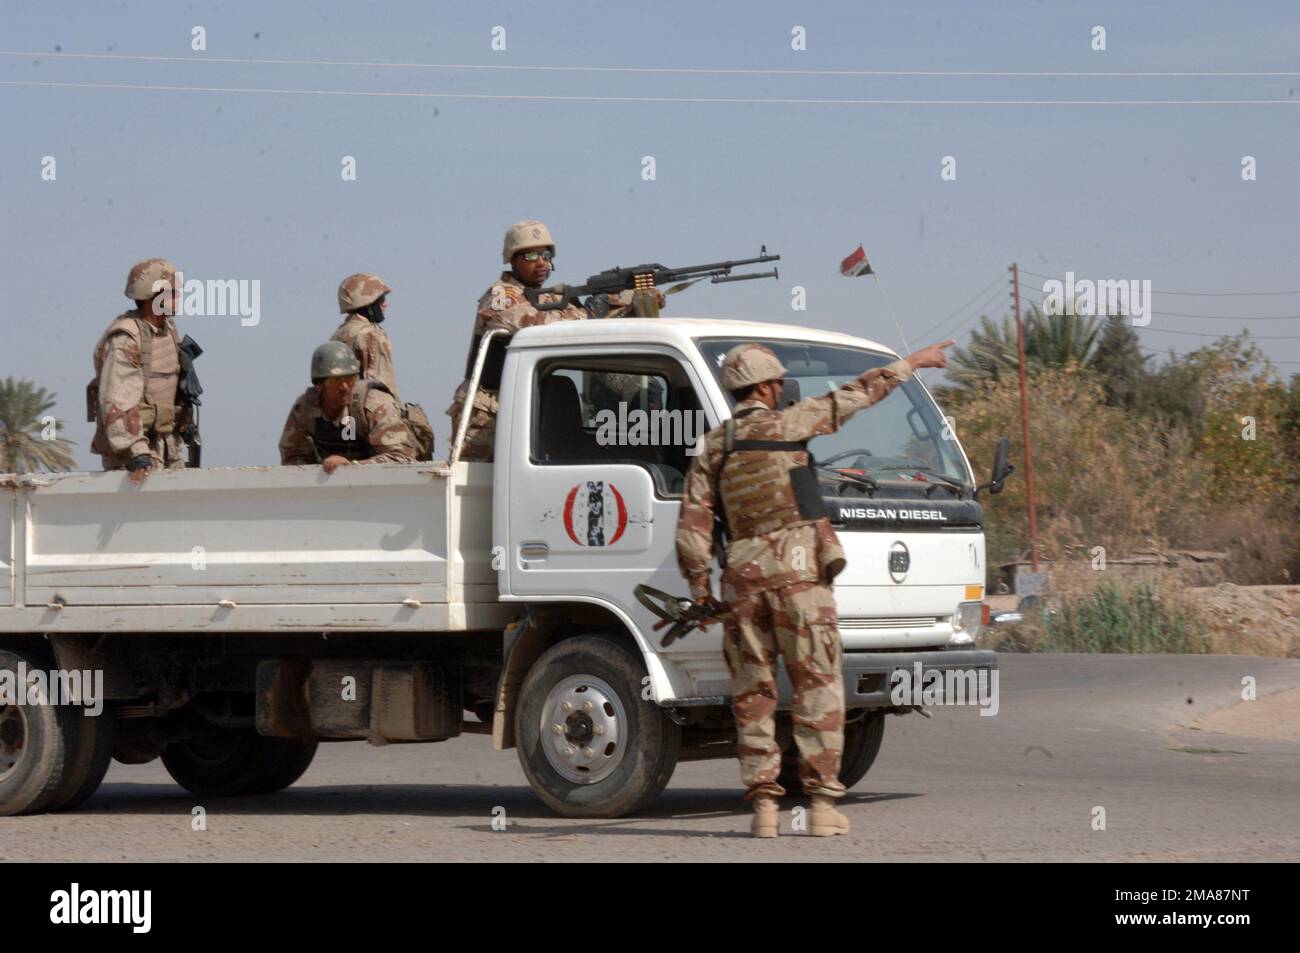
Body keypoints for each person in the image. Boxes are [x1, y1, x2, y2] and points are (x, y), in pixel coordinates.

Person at [674, 338, 955, 837]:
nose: (782, 387)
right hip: (801, 582)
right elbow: (858, 394)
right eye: (777, 381)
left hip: (743, 584)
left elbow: (694, 526)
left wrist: (700, 587)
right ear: (764, 385)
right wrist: (911, 363)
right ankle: (822, 808)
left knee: (753, 695)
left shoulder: (715, 444)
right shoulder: (794, 423)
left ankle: (763, 809)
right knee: (818, 689)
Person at [446, 219, 650, 461]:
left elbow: (587, 322)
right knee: (478, 488)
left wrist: (634, 301)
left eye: (545, 255)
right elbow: (537, 323)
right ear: (514, 259)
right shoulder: (501, 294)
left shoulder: (547, 297)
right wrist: (590, 314)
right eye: (532, 256)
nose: (542, 263)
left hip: (522, 407)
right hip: (486, 411)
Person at [89, 258, 188, 483]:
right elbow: (117, 401)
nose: (178, 297)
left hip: (167, 448)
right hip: (134, 458)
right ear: (150, 296)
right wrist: (137, 453)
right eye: (171, 292)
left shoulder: (167, 330)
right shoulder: (126, 338)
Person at [278, 342, 417, 471]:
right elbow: (291, 459)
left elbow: (401, 458)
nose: (344, 387)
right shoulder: (304, 410)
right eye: (335, 381)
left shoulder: (375, 405)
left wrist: (352, 467)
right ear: (319, 385)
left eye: (350, 379)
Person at [331, 272, 402, 403]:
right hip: (369, 416)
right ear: (367, 303)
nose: (385, 305)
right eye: (381, 300)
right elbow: (381, 389)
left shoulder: (337, 336)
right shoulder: (372, 335)